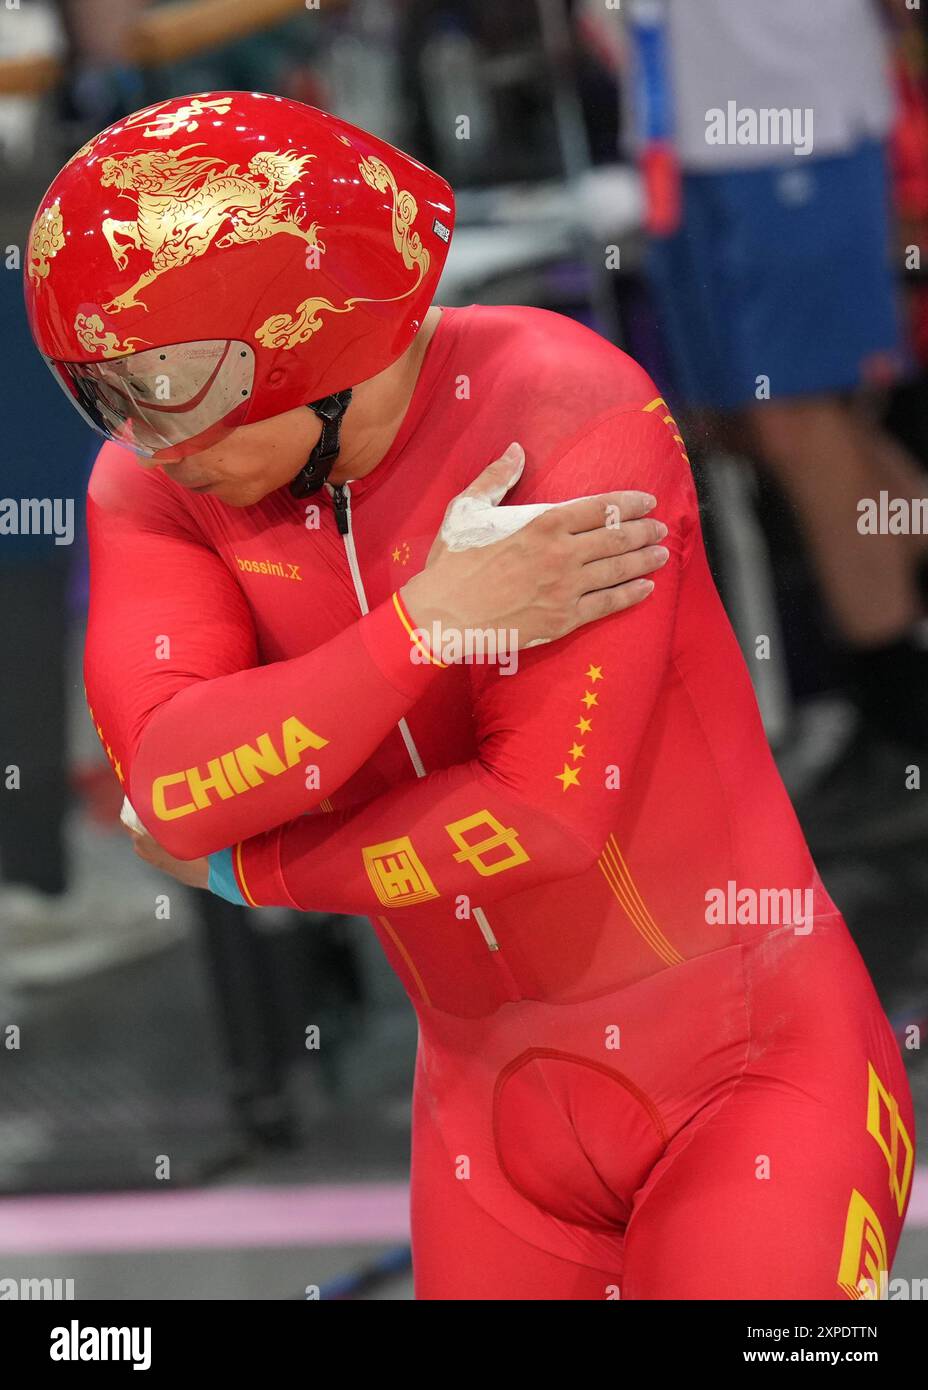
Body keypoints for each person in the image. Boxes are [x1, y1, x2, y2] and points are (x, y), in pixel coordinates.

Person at [25, 91, 913, 1300]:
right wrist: (428, 623)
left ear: (312, 336)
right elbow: (176, 789)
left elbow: (543, 820)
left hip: (754, 1080)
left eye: (163, 378)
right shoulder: (152, 481)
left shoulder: (561, 403)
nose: (142, 432)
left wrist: (257, 870)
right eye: (100, 388)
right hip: (489, 1129)